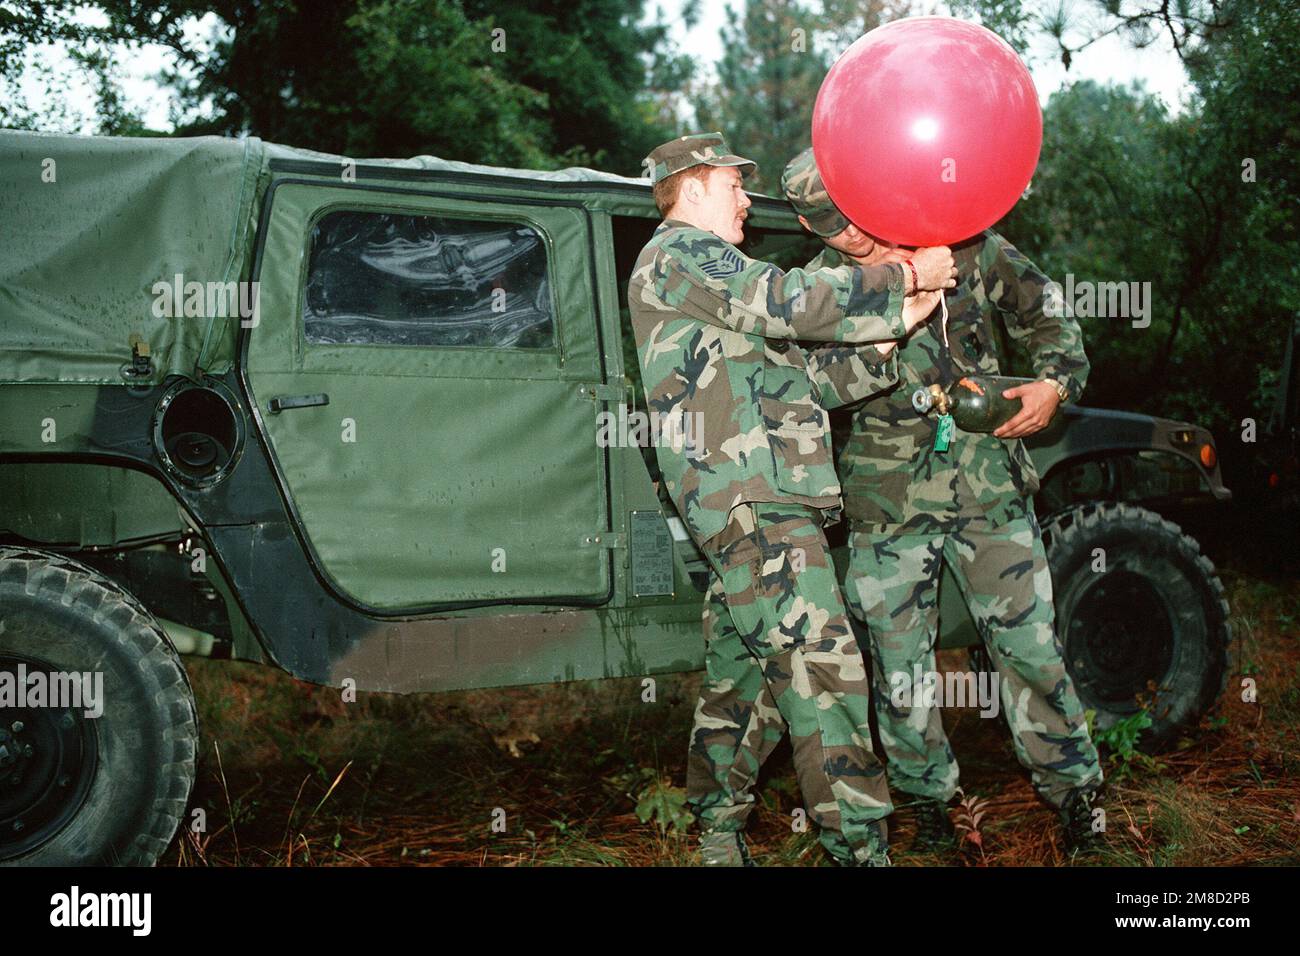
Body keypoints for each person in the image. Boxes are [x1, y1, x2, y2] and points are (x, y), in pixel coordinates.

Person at [628, 132, 955, 866]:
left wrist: (894, 331)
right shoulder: (679, 253)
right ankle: (861, 853)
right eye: (734, 183)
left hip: (754, 507)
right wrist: (903, 274)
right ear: (694, 187)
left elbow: (809, 383)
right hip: (754, 507)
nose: (747, 197)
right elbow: (785, 300)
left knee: (749, 680)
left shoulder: (716, 285)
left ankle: (716, 832)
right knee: (827, 678)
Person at [780, 147, 1105, 857]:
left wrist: (1054, 383)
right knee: (902, 672)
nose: (850, 236)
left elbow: (1047, 311)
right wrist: (897, 310)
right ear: (808, 227)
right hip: (886, 503)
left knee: (1030, 651)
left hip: (987, 485)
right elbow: (820, 389)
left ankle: (1077, 793)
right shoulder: (817, 287)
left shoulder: (961, 239)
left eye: (851, 213)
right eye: (829, 227)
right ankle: (929, 802)